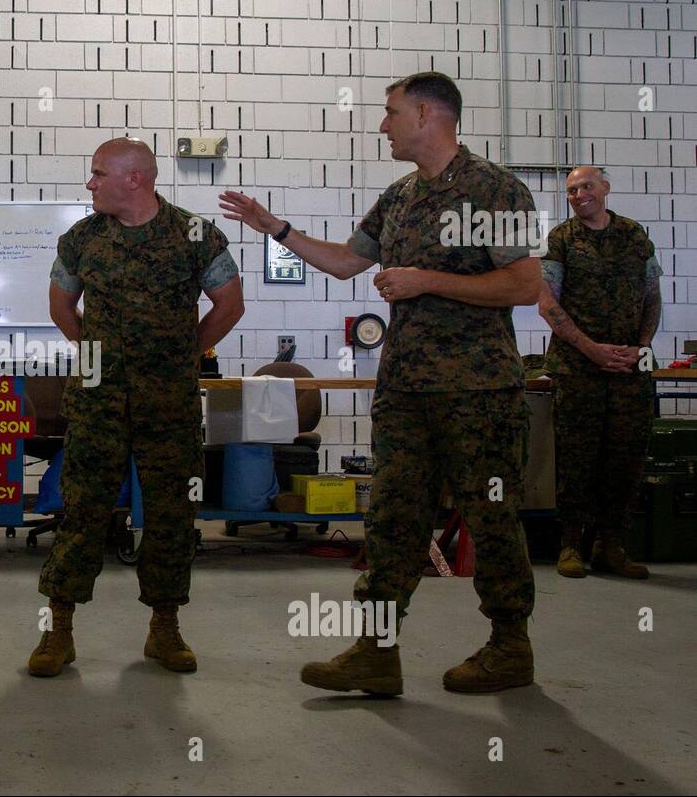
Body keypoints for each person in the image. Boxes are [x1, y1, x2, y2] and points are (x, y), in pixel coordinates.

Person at [221, 71, 542, 694]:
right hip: (406, 392)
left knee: (491, 515)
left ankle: (510, 647)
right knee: (394, 518)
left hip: (478, 392)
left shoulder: (495, 190)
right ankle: (376, 651)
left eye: (391, 112)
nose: (382, 123)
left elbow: (525, 285)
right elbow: (346, 262)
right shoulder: (399, 197)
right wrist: (275, 229)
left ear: (427, 114)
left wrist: (427, 280)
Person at [29, 137, 244, 677]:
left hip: (168, 403)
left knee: (172, 513)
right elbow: (60, 305)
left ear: (135, 179)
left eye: (99, 173)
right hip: (98, 402)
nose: (90, 182)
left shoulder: (195, 234)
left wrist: (185, 351)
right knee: (81, 509)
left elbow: (230, 304)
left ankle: (164, 628)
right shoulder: (81, 238)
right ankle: (59, 630)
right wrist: (97, 356)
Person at [539, 166, 661, 580]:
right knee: (577, 456)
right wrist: (591, 350)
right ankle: (572, 543)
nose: (578, 195)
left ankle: (611, 544)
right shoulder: (561, 240)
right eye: (572, 190)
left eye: (586, 186)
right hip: (578, 367)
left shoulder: (635, 235)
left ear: (605, 188)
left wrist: (642, 348)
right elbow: (547, 305)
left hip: (631, 367)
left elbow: (652, 296)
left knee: (625, 458)